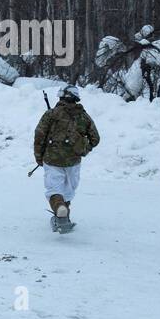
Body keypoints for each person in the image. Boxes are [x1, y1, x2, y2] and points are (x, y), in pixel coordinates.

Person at [33, 84, 100, 233]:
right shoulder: (84, 116)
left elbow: (39, 135)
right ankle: (64, 215)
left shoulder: (51, 114)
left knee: (54, 190)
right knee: (68, 190)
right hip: (73, 161)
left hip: (52, 160)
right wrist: (83, 149)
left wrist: (39, 157)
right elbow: (95, 138)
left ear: (62, 96)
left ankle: (60, 210)